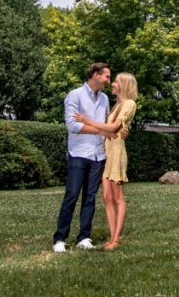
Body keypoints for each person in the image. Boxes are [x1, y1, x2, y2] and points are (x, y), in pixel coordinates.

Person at [74, 72, 137, 250]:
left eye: (116, 81)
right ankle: (112, 236)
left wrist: (86, 121)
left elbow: (113, 127)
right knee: (107, 197)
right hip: (106, 153)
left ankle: (116, 239)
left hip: (116, 153)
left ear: (124, 85)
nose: (112, 84)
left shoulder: (129, 104)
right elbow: (113, 128)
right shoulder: (116, 105)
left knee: (118, 197)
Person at [52, 62, 111, 253]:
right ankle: (60, 239)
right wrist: (99, 130)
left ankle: (84, 237)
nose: (108, 81)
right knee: (71, 195)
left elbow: (107, 124)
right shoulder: (75, 95)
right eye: (107, 77)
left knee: (90, 198)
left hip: (98, 156)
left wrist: (106, 129)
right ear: (95, 74)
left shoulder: (105, 99)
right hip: (78, 154)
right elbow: (73, 125)